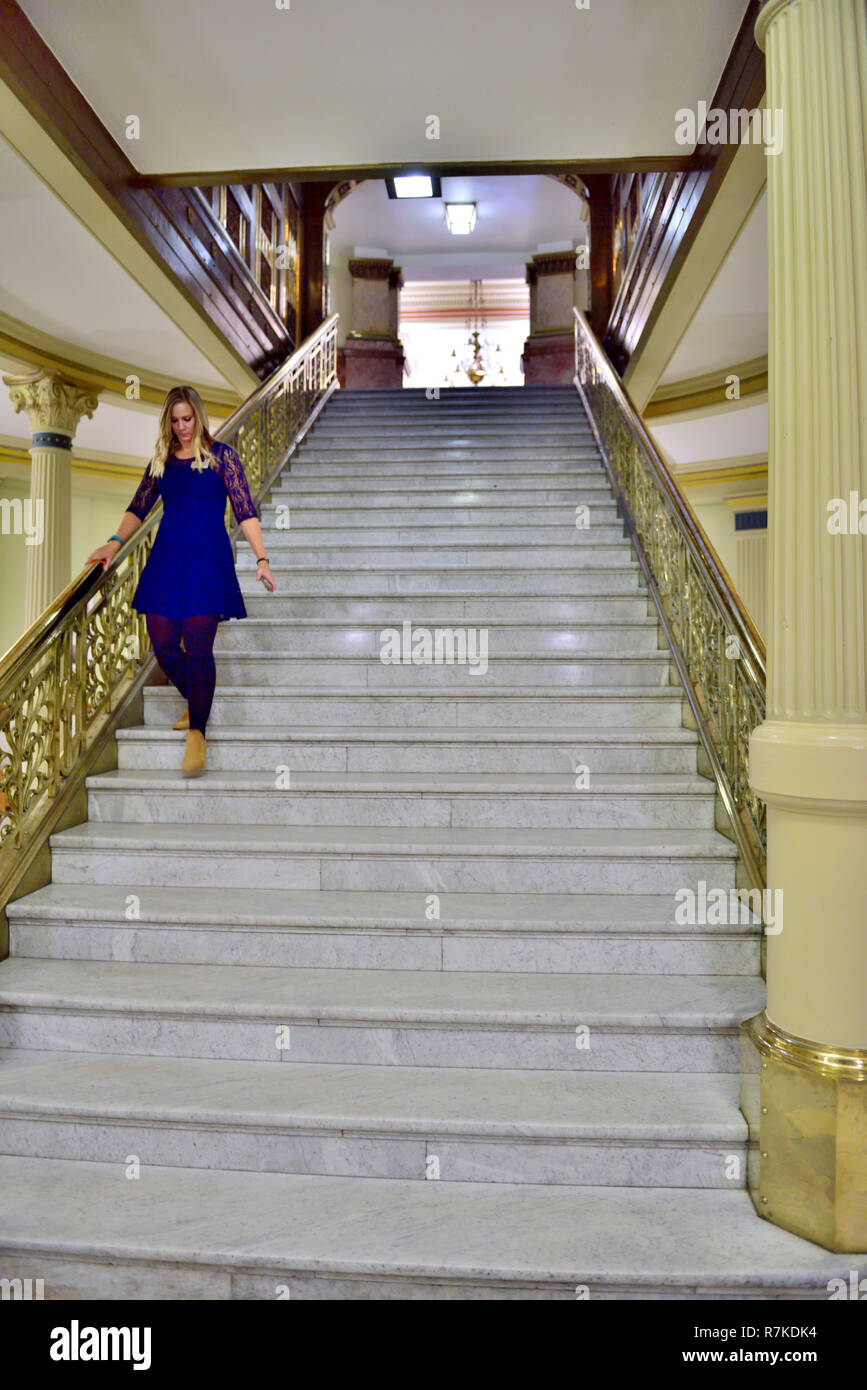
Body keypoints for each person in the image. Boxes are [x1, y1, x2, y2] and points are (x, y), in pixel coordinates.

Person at [87, 386, 275, 776]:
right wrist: (114, 542)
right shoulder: (160, 460)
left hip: (208, 559)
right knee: (162, 639)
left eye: (187, 419)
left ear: (199, 416)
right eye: (174, 420)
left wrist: (262, 558)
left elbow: (245, 510)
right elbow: (138, 507)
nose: (182, 427)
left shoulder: (222, 457)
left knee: (199, 643)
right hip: (168, 558)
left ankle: (197, 732)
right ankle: (197, 697)